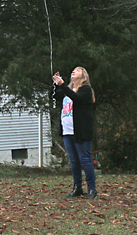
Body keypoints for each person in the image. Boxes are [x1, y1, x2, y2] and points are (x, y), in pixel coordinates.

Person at [52, 67, 97, 199]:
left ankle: (92, 189)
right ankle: (78, 187)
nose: (73, 71)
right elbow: (53, 95)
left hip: (81, 130)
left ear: (83, 75)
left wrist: (63, 85)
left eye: (77, 70)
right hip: (67, 131)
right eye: (73, 70)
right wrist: (55, 83)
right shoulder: (67, 90)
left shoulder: (85, 89)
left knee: (85, 160)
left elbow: (76, 98)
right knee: (74, 161)